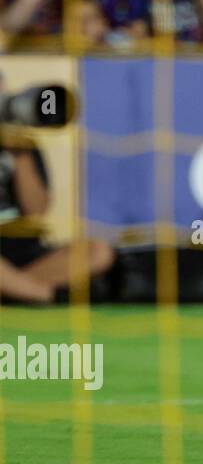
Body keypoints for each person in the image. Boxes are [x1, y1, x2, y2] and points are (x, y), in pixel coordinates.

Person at [0, 74, 116, 304]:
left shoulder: (21, 141)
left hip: (22, 248)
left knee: (98, 252)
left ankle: (15, 289)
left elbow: (36, 211)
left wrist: (20, 154)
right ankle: (40, 293)